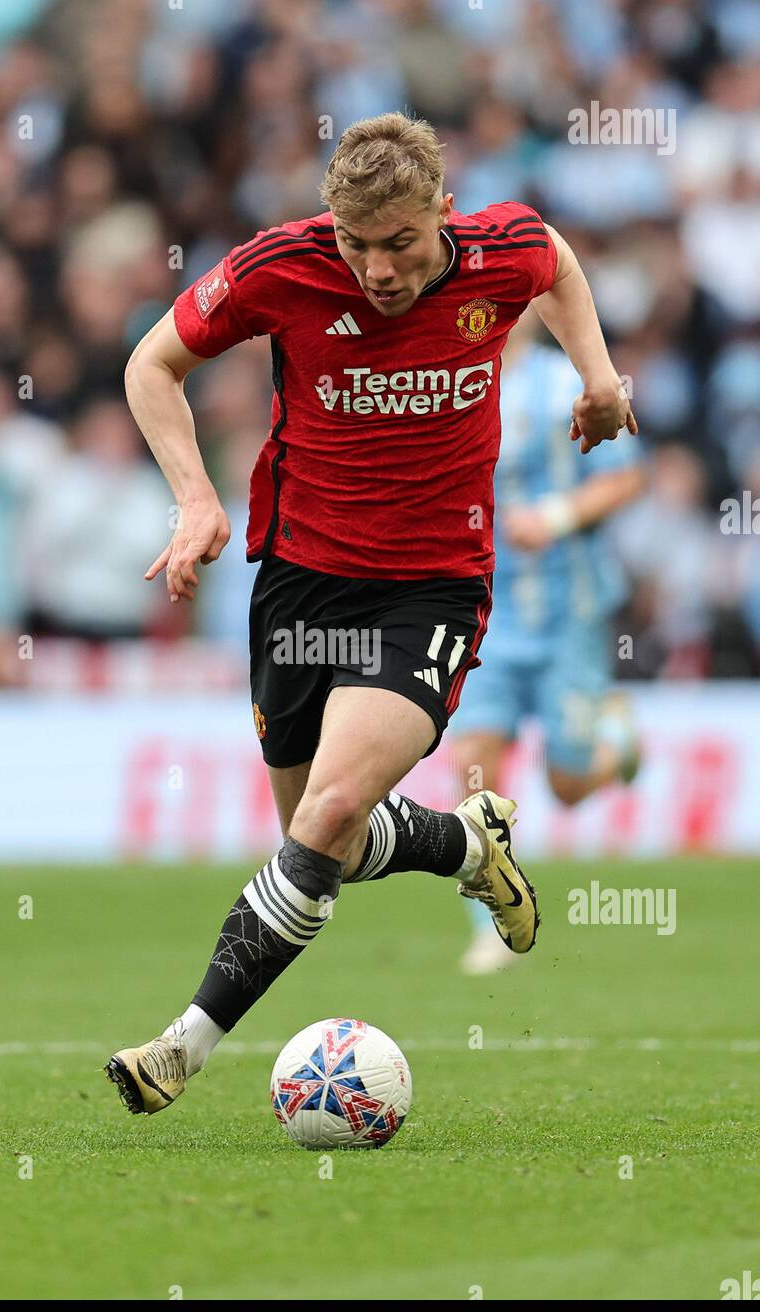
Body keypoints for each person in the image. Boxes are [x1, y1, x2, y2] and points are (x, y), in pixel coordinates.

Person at [105, 112, 637, 1117]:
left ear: (443, 211)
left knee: (333, 816)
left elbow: (556, 262)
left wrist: (597, 378)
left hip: (431, 585)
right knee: (318, 846)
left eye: (397, 243)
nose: (376, 270)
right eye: (354, 245)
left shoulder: (501, 249)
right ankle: (464, 848)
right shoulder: (281, 268)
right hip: (300, 583)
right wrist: (194, 497)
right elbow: (149, 365)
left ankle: (183, 1044)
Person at [449, 308, 646, 975]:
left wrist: (558, 516)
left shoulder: (573, 380)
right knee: (475, 762)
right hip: (481, 610)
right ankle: (490, 923)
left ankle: (615, 746)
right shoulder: (442, 382)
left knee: (565, 784)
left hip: (567, 607)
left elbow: (627, 475)